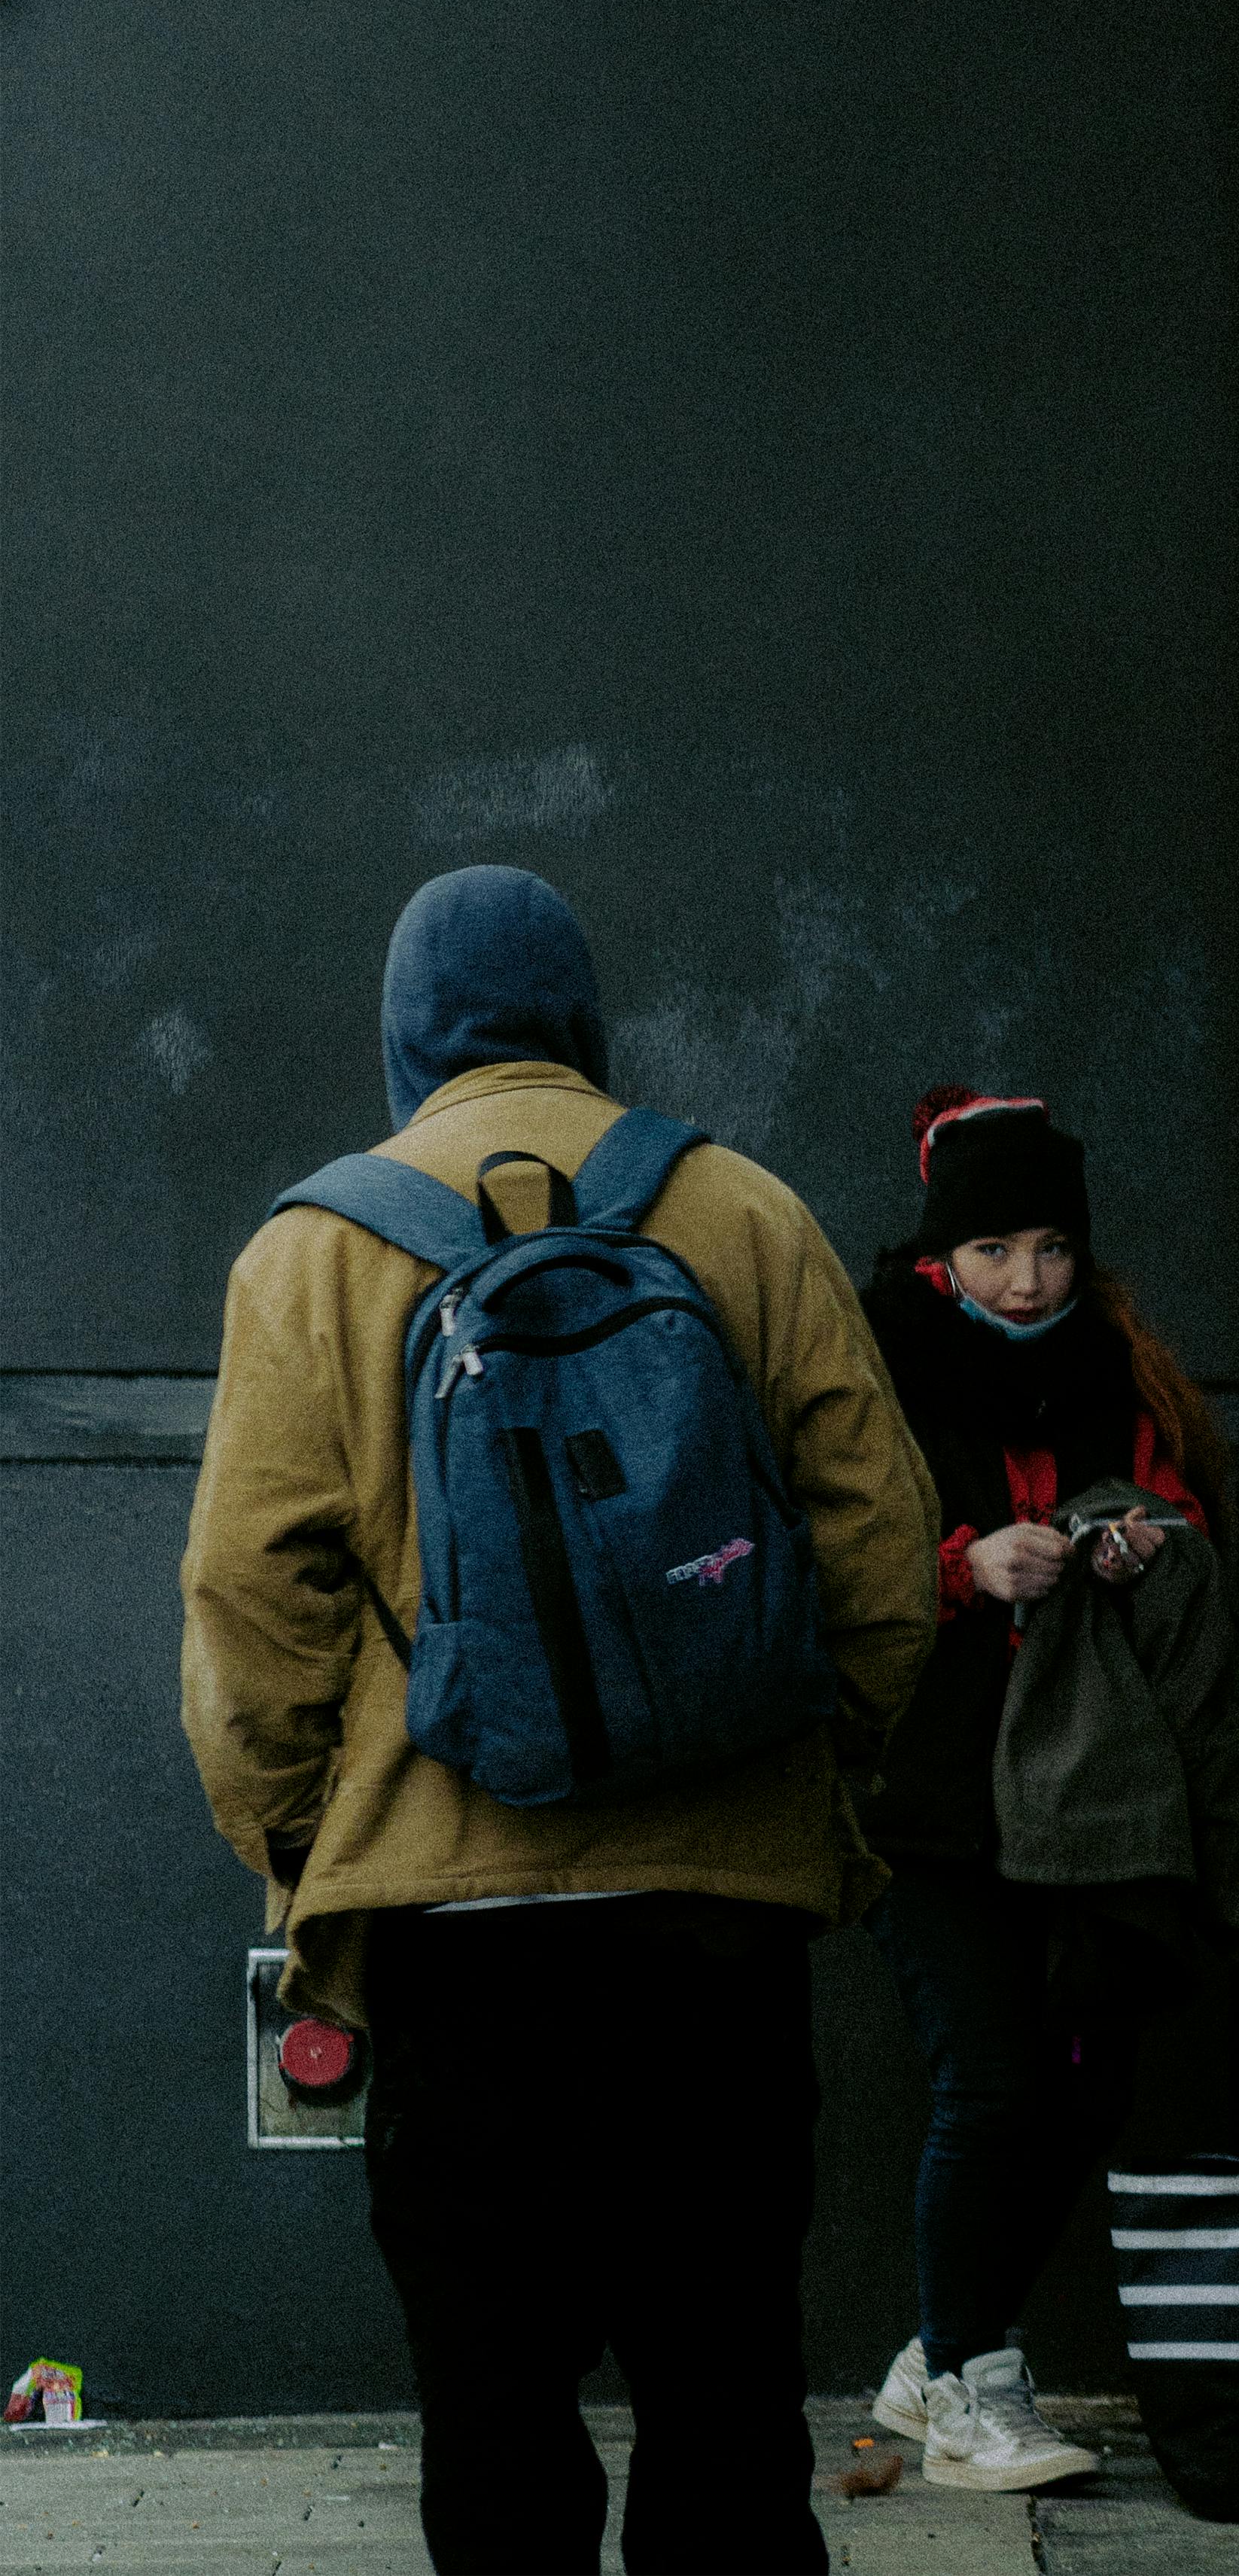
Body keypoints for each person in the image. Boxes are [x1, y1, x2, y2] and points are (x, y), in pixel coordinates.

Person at [181, 866, 940, 2576]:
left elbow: (248, 1603)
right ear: (586, 1020)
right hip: (718, 1936)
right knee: (729, 2416)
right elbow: (885, 1550)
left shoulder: (309, 1252)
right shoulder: (741, 1210)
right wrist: (810, 1781)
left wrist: (309, 1847)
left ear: (404, 1038)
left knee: (495, 2427)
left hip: (460, 1944)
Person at [854, 1086, 1230, 2492]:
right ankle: (973, 2379)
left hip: (1084, 1792)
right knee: (993, 2076)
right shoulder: (876, 1359)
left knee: (1090, 2078)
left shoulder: (1116, 1372)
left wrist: (1137, 1546)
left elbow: (1181, 1508)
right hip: (926, 1792)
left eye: (1053, 1247)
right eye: (996, 1248)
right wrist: (965, 1567)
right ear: (941, 1252)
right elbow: (826, 1546)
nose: (1026, 1279)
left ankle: (938, 2356)